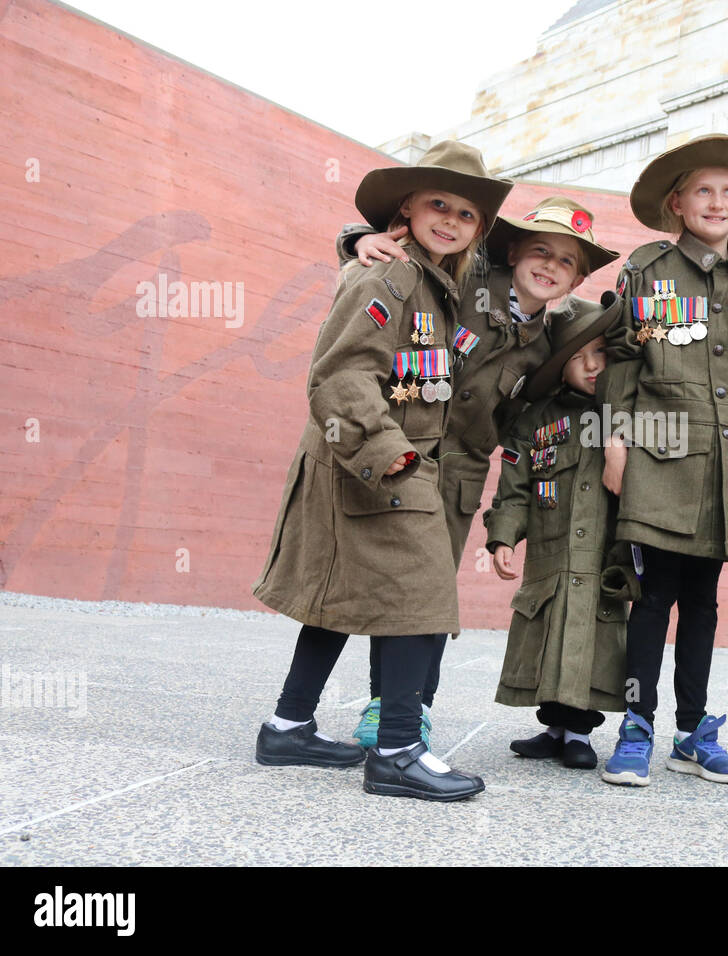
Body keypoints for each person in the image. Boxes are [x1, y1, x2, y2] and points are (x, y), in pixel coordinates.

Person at [251, 141, 512, 801]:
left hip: (370, 458)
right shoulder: (390, 276)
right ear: (408, 209)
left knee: (339, 597)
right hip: (375, 459)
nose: (451, 219)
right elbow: (339, 374)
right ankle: (397, 751)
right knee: (422, 597)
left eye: (467, 213)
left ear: (480, 229)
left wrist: (354, 238)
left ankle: (287, 726)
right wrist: (389, 455)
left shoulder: (433, 282)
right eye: (438, 204)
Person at [339, 198, 618, 748]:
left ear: (578, 277)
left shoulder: (550, 336)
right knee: (389, 587)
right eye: (540, 250)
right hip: (402, 451)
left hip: (458, 476)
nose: (549, 267)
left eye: (566, 262)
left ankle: (412, 707)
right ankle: (377, 702)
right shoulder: (470, 279)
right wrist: (355, 240)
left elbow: (607, 346)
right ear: (512, 249)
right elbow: (409, 259)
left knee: (433, 594)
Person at [597, 134, 728, 786]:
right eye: (703, 190)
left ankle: (690, 730)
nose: (717, 201)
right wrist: (615, 439)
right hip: (657, 463)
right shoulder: (647, 271)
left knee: (702, 606)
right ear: (677, 202)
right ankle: (635, 726)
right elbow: (622, 361)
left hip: (724, 472)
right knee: (651, 601)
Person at [483, 294, 639, 769]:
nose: (593, 366)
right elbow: (514, 488)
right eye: (578, 357)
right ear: (559, 366)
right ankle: (554, 728)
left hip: (602, 560)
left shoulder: (626, 419)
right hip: (551, 557)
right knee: (547, 640)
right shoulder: (537, 420)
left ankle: (579, 734)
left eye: (601, 353)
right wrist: (503, 535)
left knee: (591, 642)